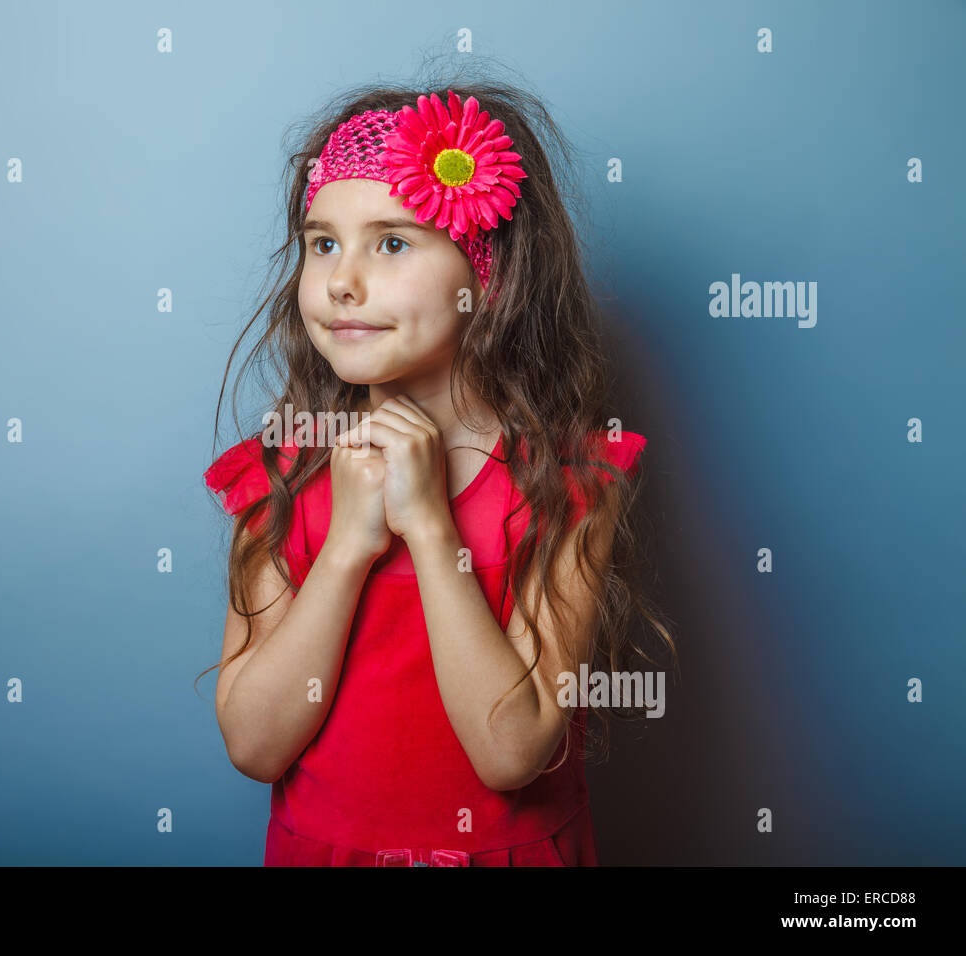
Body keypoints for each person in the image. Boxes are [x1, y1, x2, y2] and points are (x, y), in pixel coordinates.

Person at [200, 81, 675, 866]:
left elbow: (511, 751)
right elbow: (253, 745)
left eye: (391, 242)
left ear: (487, 275)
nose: (341, 280)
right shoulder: (278, 479)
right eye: (323, 243)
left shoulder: (570, 486)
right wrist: (349, 547)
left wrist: (427, 527)